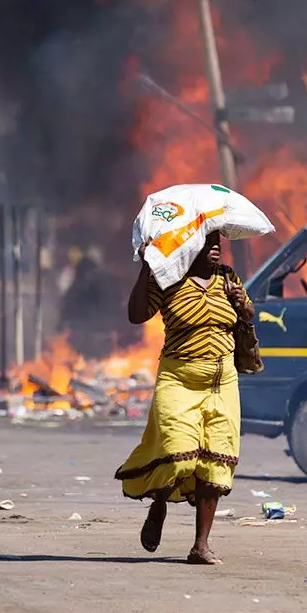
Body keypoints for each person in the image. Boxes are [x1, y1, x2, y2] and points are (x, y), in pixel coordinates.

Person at [116, 230, 253, 565]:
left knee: (216, 462)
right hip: (178, 380)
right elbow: (136, 314)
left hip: (222, 383)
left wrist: (241, 303)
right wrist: (147, 267)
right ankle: (159, 502)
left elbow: (248, 316)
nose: (216, 247)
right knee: (178, 455)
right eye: (208, 242)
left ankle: (200, 546)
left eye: (218, 241)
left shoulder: (228, 278)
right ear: (190, 246)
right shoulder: (169, 278)